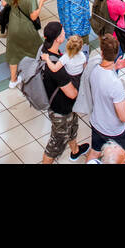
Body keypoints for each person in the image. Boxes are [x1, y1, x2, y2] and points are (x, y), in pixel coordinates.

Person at [84, 35, 125, 161]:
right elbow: (123, 117)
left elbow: (103, 73)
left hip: (97, 122)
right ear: (117, 54)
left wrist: (114, 67)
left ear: (102, 51)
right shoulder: (116, 84)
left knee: (95, 152)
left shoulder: (94, 67)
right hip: (114, 130)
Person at [39, 22, 88, 163]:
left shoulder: (45, 50)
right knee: (55, 144)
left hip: (63, 105)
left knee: (72, 127)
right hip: (60, 109)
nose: (65, 33)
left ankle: (75, 151)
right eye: (62, 33)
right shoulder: (57, 68)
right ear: (58, 39)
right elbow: (72, 94)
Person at [5, 0, 42, 89]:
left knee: (13, 53)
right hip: (26, 28)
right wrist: (42, 1)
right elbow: (33, 16)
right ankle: (35, 74)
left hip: (13, 24)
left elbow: (5, 3)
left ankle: (13, 80)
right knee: (36, 49)